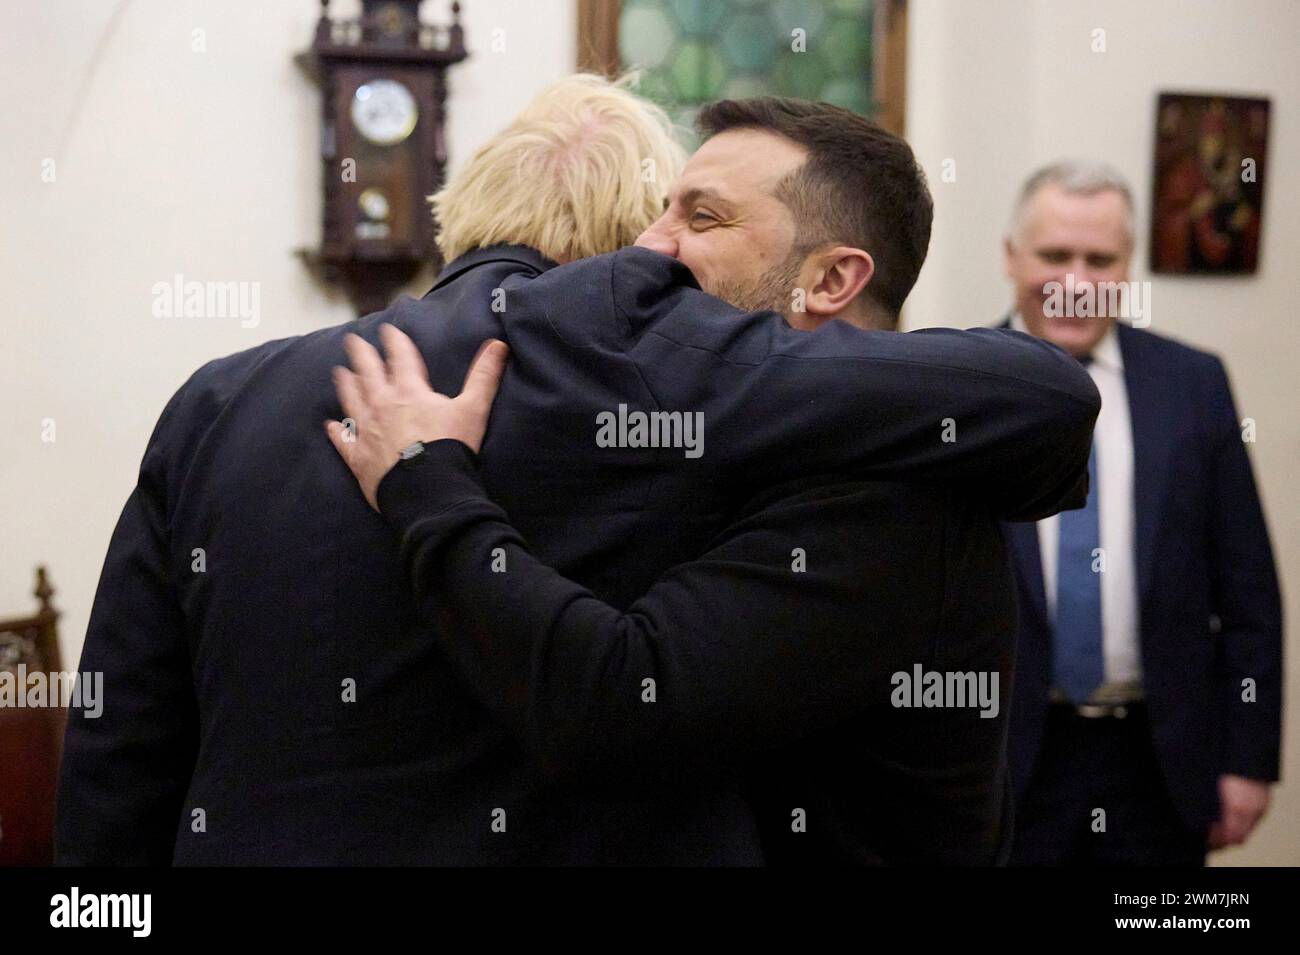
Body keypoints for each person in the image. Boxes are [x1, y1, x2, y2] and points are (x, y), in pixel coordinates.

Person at [56, 75, 1095, 865]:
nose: (656, 253)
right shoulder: (656, 393)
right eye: (658, 218)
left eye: (697, 219)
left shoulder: (219, 398)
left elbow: (119, 749)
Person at [998, 160, 1282, 865]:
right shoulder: (954, 380)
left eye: (1101, 259)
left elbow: (1249, 590)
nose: (1077, 280)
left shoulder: (1193, 383)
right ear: (1012, 257)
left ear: (1129, 265)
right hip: (1002, 761)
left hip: (1159, 763)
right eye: (1055, 256)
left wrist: (1248, 757)